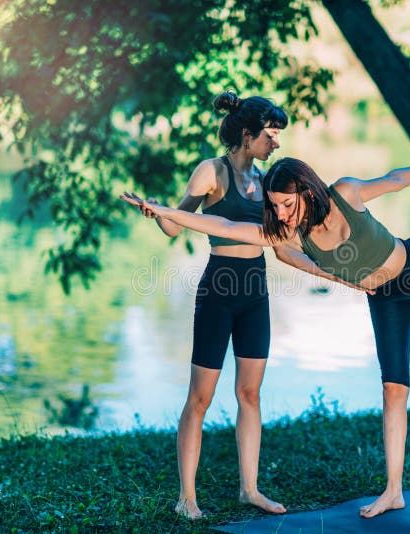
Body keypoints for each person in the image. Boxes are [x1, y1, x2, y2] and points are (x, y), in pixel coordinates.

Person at [122, 142, 410, 518]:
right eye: (275, 206)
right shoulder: (289, 235)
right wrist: (163, 211)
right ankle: (393, 492)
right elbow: (223, 224)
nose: (282, 213)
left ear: (307, 191)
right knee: (394, 388)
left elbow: (392, 179)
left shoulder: (345, 193)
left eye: (287, 204)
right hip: (386, 294)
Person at [128, 90, 299, 520]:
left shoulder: (267, 180)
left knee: (250, 393)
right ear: (248, 133)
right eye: (270, 135)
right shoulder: (211, 171)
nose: (275, 143)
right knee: (199, 398)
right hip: (218, 292)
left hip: (255, 290)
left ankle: (250, 489)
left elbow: (285, 235)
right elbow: (175, 225)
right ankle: (187, 496)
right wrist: (156, 210)